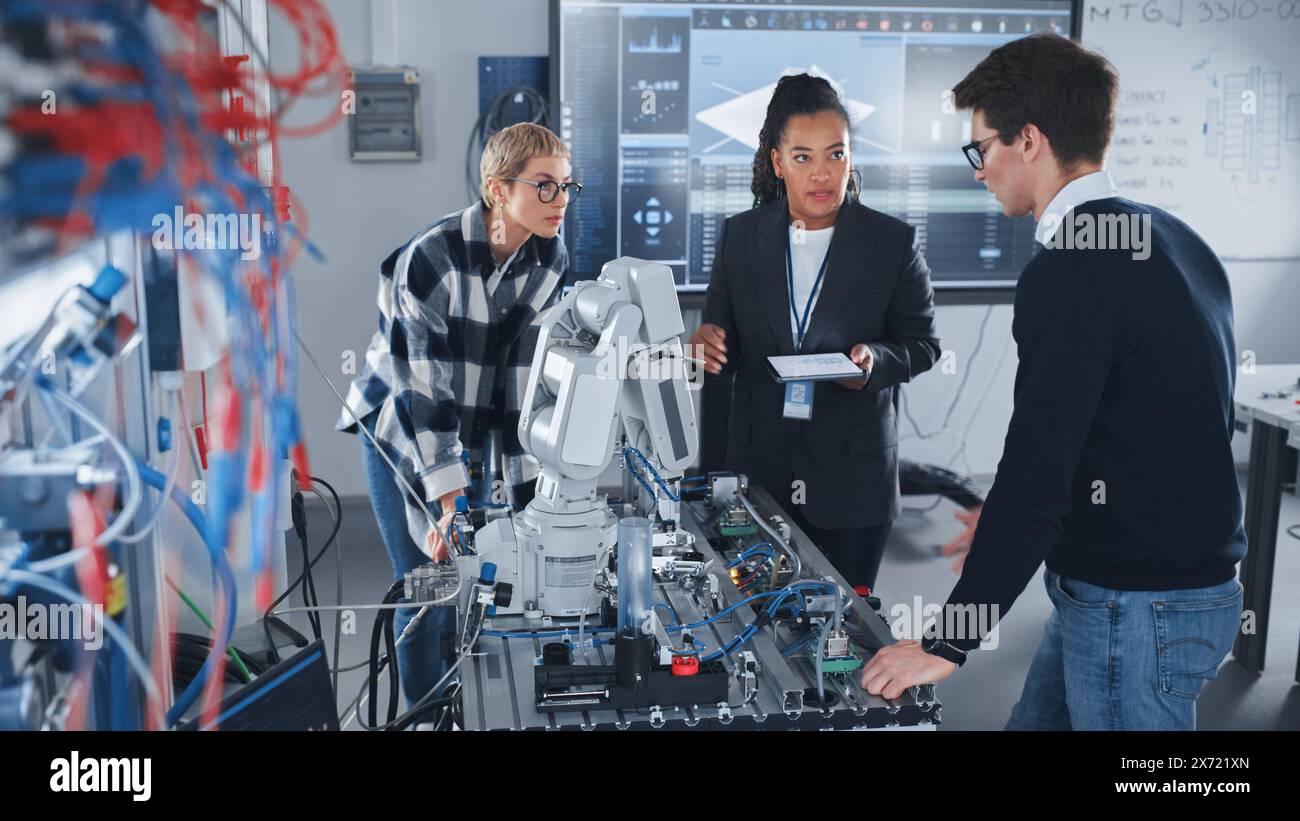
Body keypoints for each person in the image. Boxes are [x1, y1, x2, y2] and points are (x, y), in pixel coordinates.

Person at [859, 34, 1247, 731]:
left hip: (1135, 607)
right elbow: (1152, 428)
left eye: (982, 149)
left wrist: (948, 641)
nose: (978, 171)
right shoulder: (1176, 237)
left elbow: (1037, 470)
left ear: (1029, 140)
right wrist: (1038, 517)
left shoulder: (1070, 270)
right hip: (1149, 587)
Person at [337, 123, 577, 706]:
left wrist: (531, 507)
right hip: (402, 424)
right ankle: (423, 714)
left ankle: (467, 707)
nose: (561, 200)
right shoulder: (430, 260)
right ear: (497, 190)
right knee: (429, 581)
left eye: (568, 186)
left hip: (468, 415)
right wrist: (450, 505)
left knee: (488, 570)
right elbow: (426, 396)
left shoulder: (550, 257)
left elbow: (521, 389)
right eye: (544, 186)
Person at [690, 74, 941, 591]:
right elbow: (722, 343)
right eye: (803, 157)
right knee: (754, 623)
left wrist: (874, 362)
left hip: (854, 483)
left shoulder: (891, 242)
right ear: (778, 163)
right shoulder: (741, 237)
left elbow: (923, 345)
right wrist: (704, 347)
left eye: (836, 154)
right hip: (758, 475)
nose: (823, 173)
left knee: (841, 630)